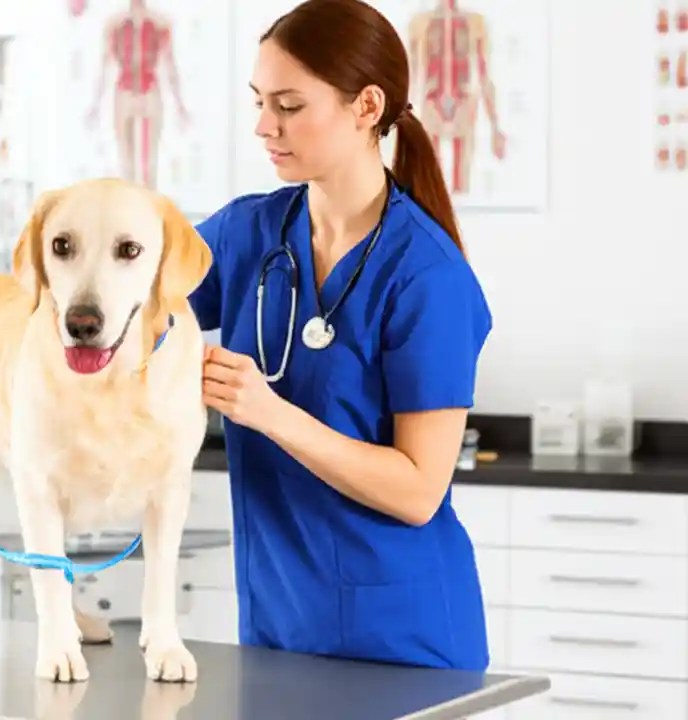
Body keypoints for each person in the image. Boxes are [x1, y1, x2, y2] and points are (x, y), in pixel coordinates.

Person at [189, 0, 493, 671]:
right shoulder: (245, 234)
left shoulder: (426, 275)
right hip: (278, 625)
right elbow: (136, 310)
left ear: (366, 107)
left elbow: (418, 490)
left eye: (290, 105)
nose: (265, 126)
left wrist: (268, 413)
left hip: (400, 642)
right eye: (259, 101)